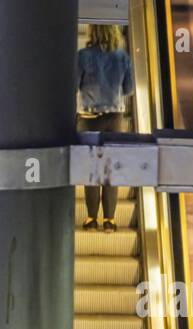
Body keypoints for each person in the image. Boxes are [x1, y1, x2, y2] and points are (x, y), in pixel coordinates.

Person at [77, 25, 134, 232]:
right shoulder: (123, 57)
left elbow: (74, 84)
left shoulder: (83, 56)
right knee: (111, 169)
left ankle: (91, 218)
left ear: (93, 32)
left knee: (91, 170)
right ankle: (109, 220)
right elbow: (129, 89)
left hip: (89, 118)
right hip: (114, 119)